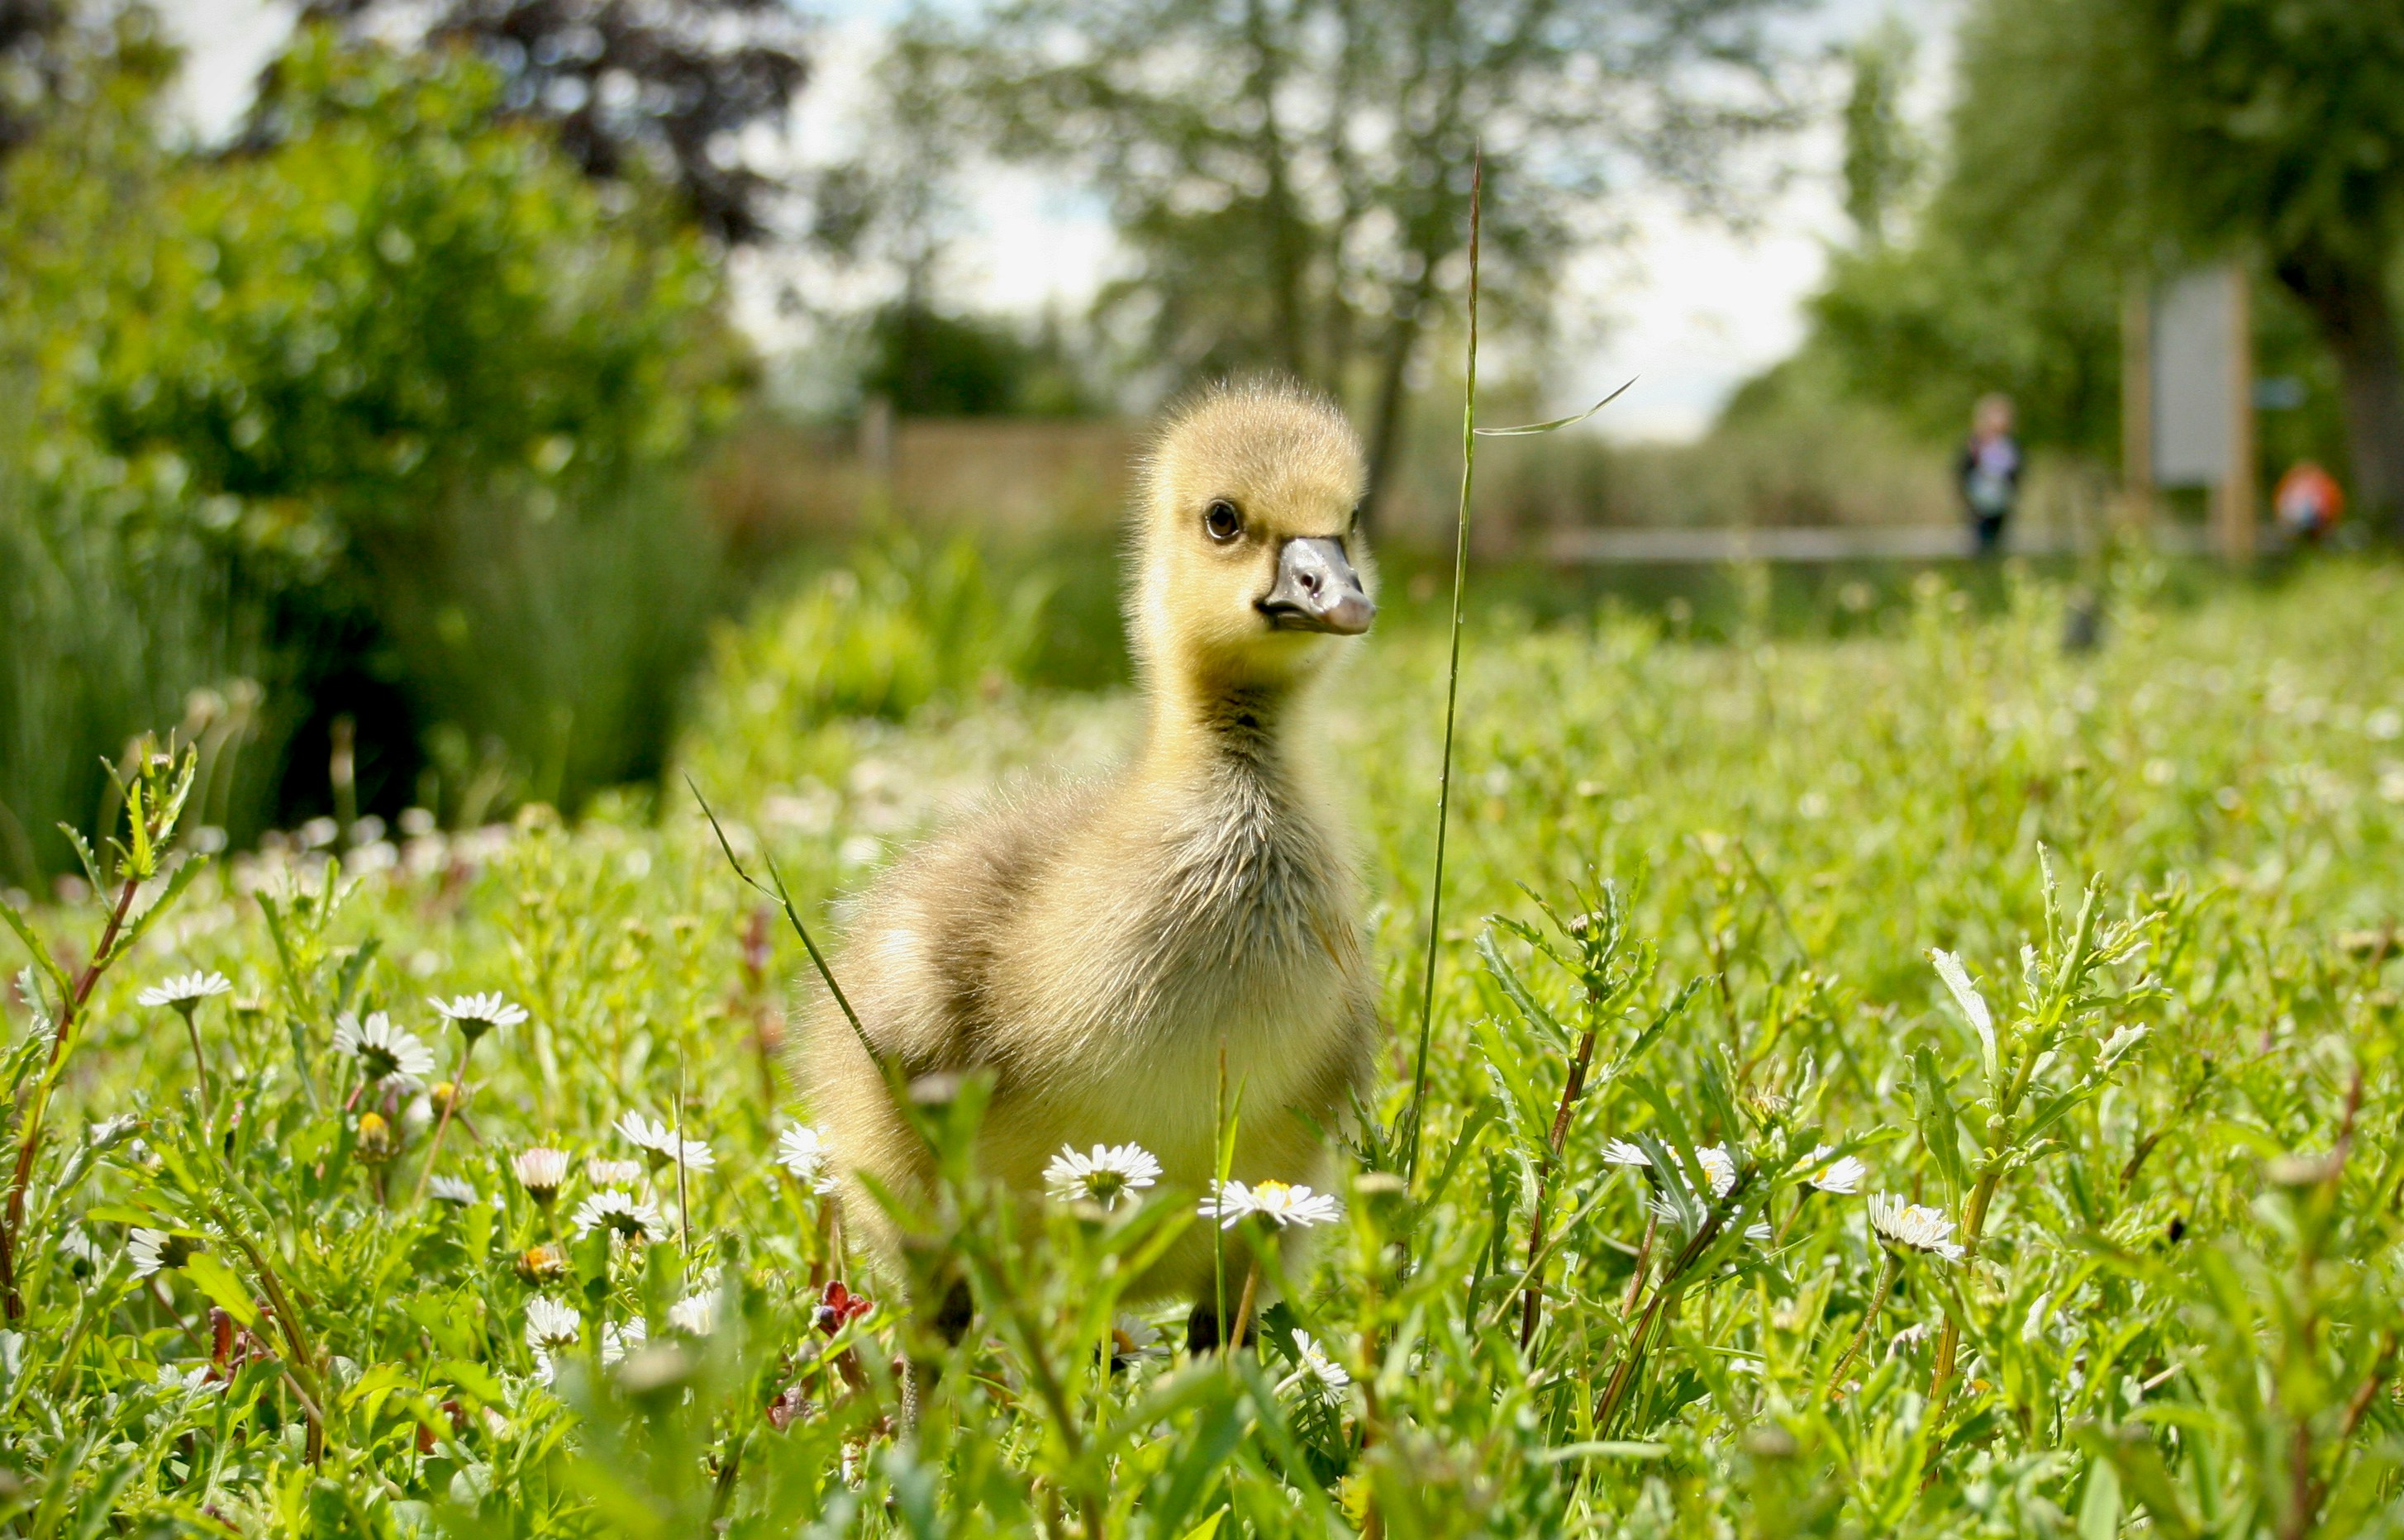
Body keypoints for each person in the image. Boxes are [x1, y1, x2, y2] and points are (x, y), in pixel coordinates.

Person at [1957, 393, 2021, 555]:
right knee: (1981, 540)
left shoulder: (2009, 445)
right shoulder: (1975, 444)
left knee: (1997, 540)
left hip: (2001, 499)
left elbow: (2017, 471)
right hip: (1979, 500)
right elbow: (1963, 470)